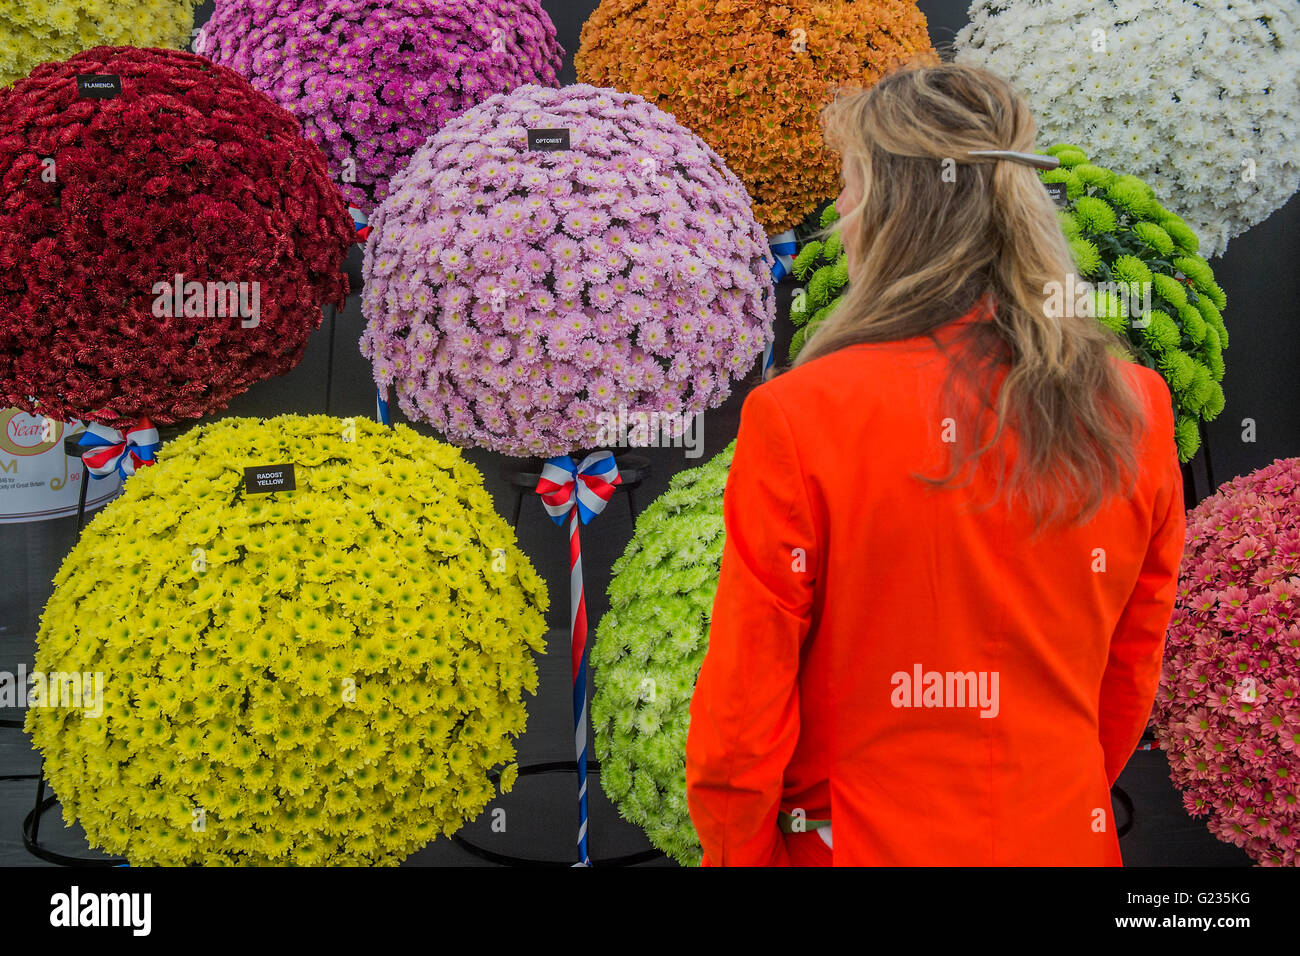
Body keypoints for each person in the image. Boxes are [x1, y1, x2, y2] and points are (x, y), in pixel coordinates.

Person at [684, 63, 1186, 866]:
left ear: (894, 210)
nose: (838, 215)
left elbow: (741, 717)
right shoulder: (1136, 407)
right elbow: (1129, 673)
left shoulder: (799, 414)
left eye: (848, 187)